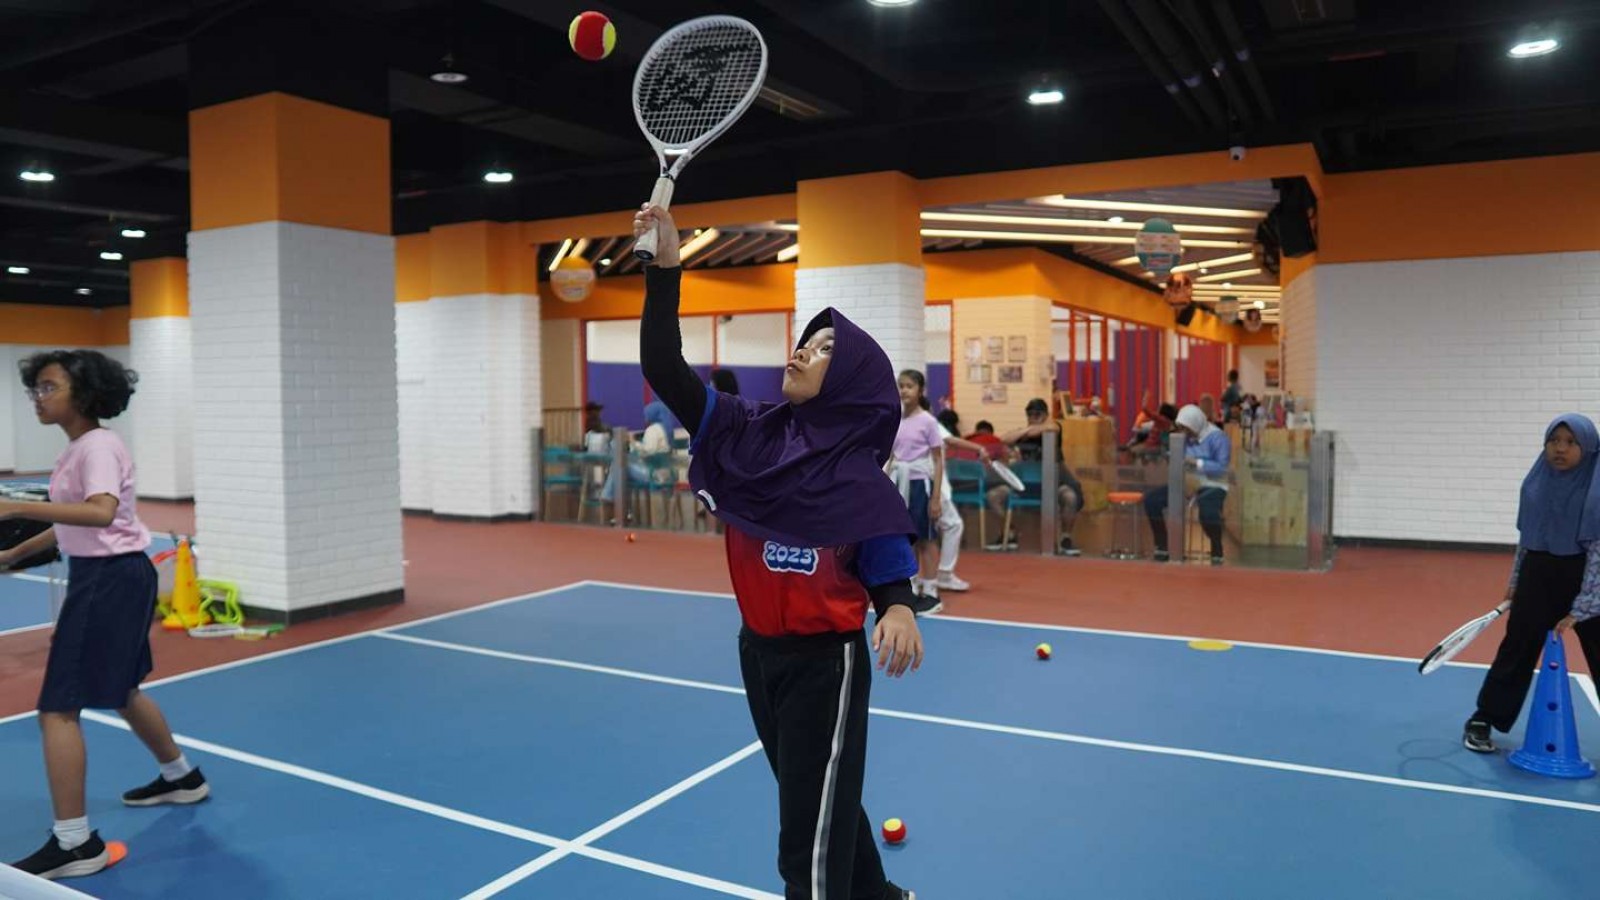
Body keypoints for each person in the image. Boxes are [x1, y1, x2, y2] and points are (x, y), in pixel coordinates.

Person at [634, 203, 921, 900]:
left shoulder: (859, 480)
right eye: (806, 340)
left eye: (824, 350)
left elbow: (886, 567)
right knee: (819, 797)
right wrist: (666, 272)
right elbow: (664, 367)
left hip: (827, 665)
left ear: (851, 383)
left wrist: (900, 610)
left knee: (804, 846)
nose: (802, 349)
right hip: (758, 653)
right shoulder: (742, 432)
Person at [1, 351, 208, 882]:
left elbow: (99, 511)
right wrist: (14, 555)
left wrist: (16, 508)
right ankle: (182, 777)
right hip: (116, 576)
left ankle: (75, 844)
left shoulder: (97, 447)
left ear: (84, 393)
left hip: (108, 582)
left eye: (48, 388)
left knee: (57, 709)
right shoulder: (81, 448)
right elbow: (82, 523)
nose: (38, 398)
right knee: (121, 691)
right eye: (36, 389)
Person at [1465, 414, 1600, 752]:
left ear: (1589, 448)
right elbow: (1527, 538)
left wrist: (1584, 607)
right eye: (1554, 441)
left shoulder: (1596, 491)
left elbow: (1599, 553)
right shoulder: (1536, 484)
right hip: (1538, 574)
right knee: (1517, 648)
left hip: (1588, 578)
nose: (1560, 448)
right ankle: (1485, 719)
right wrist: (1516, 579)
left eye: (1571, 442)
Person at [985, 398, 1084, 556]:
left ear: (1045, 415)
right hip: (1026, 484)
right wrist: (1027, 430)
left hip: (1054, 484)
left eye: (1037, 414)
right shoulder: (1025, 434)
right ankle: (1009, 534)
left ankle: (1066, 538)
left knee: (1070, 497)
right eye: (1030, 414)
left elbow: (1051, 428)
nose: (1033, 417)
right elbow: (1004, 439)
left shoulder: (1053, 427)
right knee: (993, 496)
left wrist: (1033, 428)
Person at [1143, 404, 1230, 564]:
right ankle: (1162, 546)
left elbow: (1221, 468)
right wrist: (1169, 455)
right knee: (1151, 501)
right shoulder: (1185, 438)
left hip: (1213, 484)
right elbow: (1179, 456)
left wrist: (1197, 463)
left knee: (1207, 509)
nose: (1185, 432)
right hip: (1187, 482)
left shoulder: (1218, 437)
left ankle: (1217, 548)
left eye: (1186, 428)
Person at [889, 371, 946, 611]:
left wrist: (935, 498)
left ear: (920, 390)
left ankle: (931, 590)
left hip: (920, 484)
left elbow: (938, 460)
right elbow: (892, 456)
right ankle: (910, 586)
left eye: (909, 386)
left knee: (926, 538)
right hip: (899, 485)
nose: (904, 391)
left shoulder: (928, 421)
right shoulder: (896, 419)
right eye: (901, 386)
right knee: (906, 538)